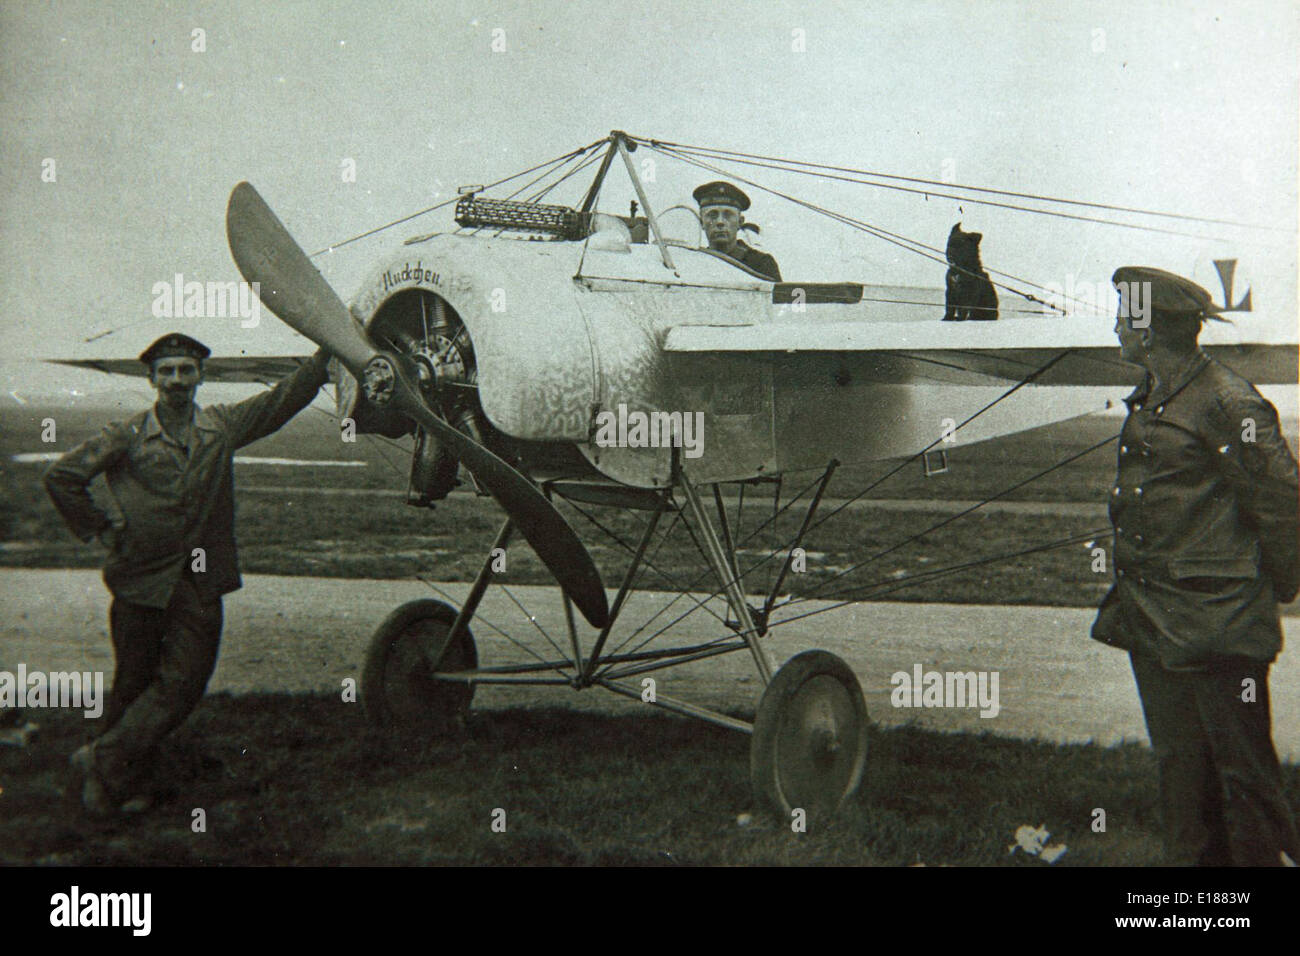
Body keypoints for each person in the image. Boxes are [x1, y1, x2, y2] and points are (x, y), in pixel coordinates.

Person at [44, 332, 332, 816]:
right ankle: (123, 787)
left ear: (200, 376)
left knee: (184, 683)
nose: (177, 380)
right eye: (167, 371)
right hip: (138, 579)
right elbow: (63, 477)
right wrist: (101, 527)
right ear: (152, 379)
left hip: (199, 580)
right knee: (133, 686)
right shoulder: (127, 434)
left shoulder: (221, 427)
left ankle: (100, 758)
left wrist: (330, 352)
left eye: (186, 370)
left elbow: (281, 400)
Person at [1091, 266, 1300, 866]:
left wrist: (1269, 586)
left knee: (1244, 780)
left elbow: (1282, 500)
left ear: (1149, 332)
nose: (1113, 328)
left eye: (1122, 319)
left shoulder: (1228, 402)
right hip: (1153, 616)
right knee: (1181, 772)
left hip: (1216, 621)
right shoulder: (1160, 394)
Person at [692, 180, 782, 281]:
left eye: (728, 215)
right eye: (712, 215)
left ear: (740, 222)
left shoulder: (761, 264)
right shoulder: (695, 264)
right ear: (701, 222)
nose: (720, 222)